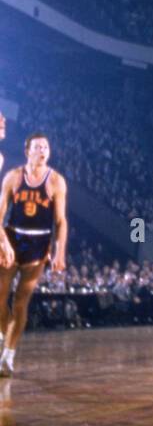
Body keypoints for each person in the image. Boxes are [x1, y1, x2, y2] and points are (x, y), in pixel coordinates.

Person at [0, 134, 68, 376]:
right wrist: (3, 243)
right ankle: (3, 333)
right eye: (38, 147)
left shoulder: (56, 181)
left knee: (21, 301)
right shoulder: (13, 177)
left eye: (46, 147)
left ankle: (8, 355)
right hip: (13, 236)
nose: (43, 150)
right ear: (27, 150)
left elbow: (60, 221)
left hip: (39, 242)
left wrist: (60, 252)